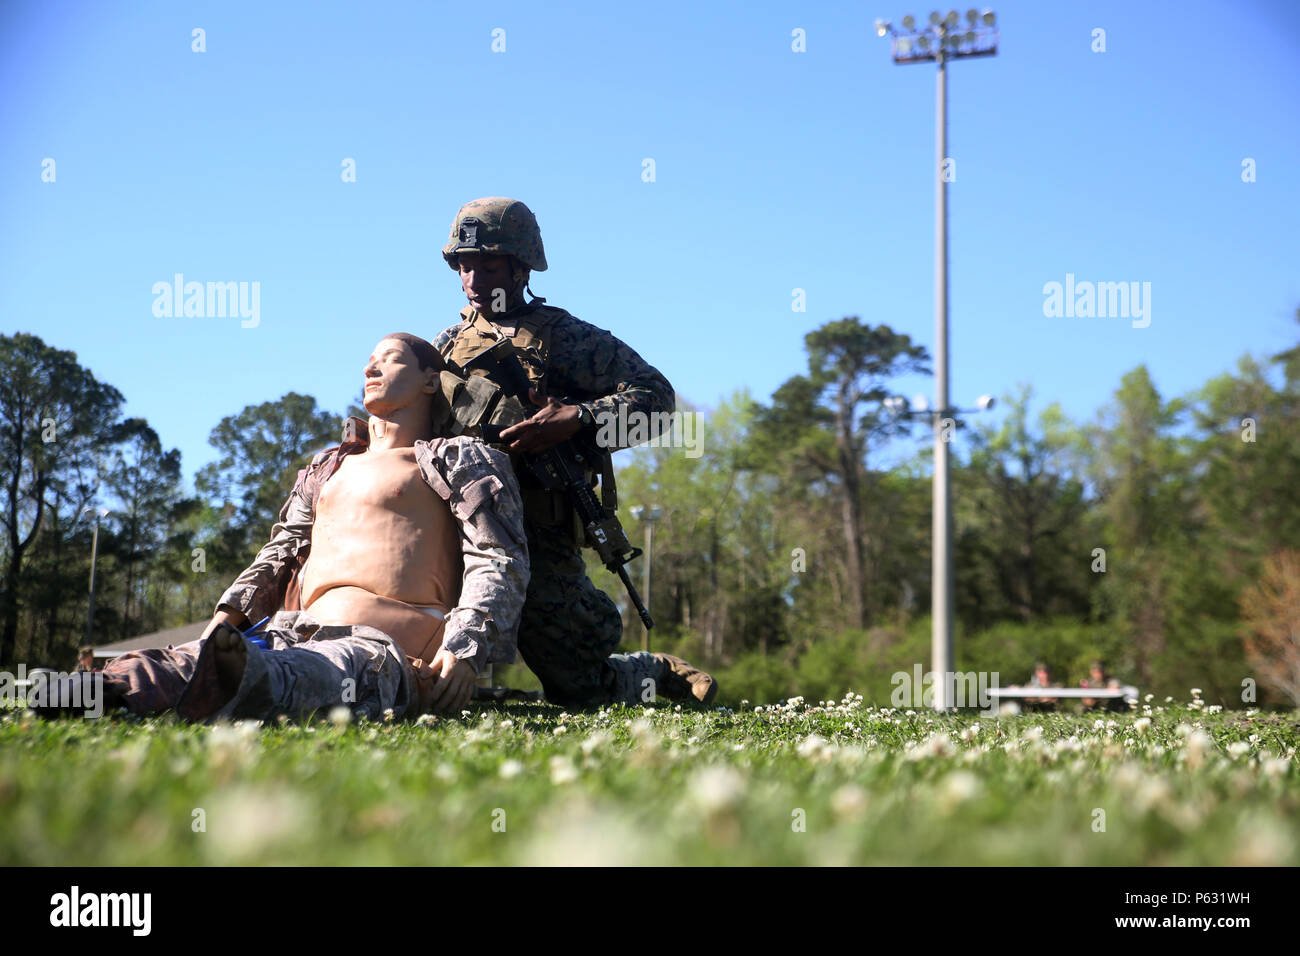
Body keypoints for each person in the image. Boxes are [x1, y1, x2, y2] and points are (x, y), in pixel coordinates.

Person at [42, 334, 528, 722]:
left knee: (302, 674)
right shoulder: (327, 467)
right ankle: (103, 690)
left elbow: (498, 558)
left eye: (390, 358)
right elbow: (279, 552)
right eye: (368, 360)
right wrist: (224, 620)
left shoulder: (459, 459)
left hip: (382, 650)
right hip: (289, 630)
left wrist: (464, 650)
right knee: (182, 658)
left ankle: (230, 682)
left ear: (429, 380)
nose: (369, 368)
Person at [432, 196, 716, 708]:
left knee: (577, 685)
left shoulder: (567, 339)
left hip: (539, 531)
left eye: (488, 264)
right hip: (455, 525)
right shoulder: (446, 347)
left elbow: (656, 400)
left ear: (521, 268)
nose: (472, 278)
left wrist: (578, 419)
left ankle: (652, 670)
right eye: (464, 265)